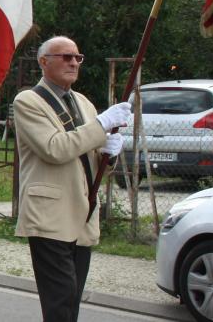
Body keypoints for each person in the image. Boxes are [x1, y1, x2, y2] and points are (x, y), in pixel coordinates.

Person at [13, 36, 130, 322]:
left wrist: (108, 154)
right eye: (65, 57)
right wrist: (102, 125)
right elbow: (55, 148)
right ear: (44, 62)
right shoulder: (28, 101)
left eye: (77, 57)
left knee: (72, 298)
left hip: (82, 211)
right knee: (60, 300)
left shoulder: (83, 102)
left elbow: (86, 153)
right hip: (49, 215)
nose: (73, 62)